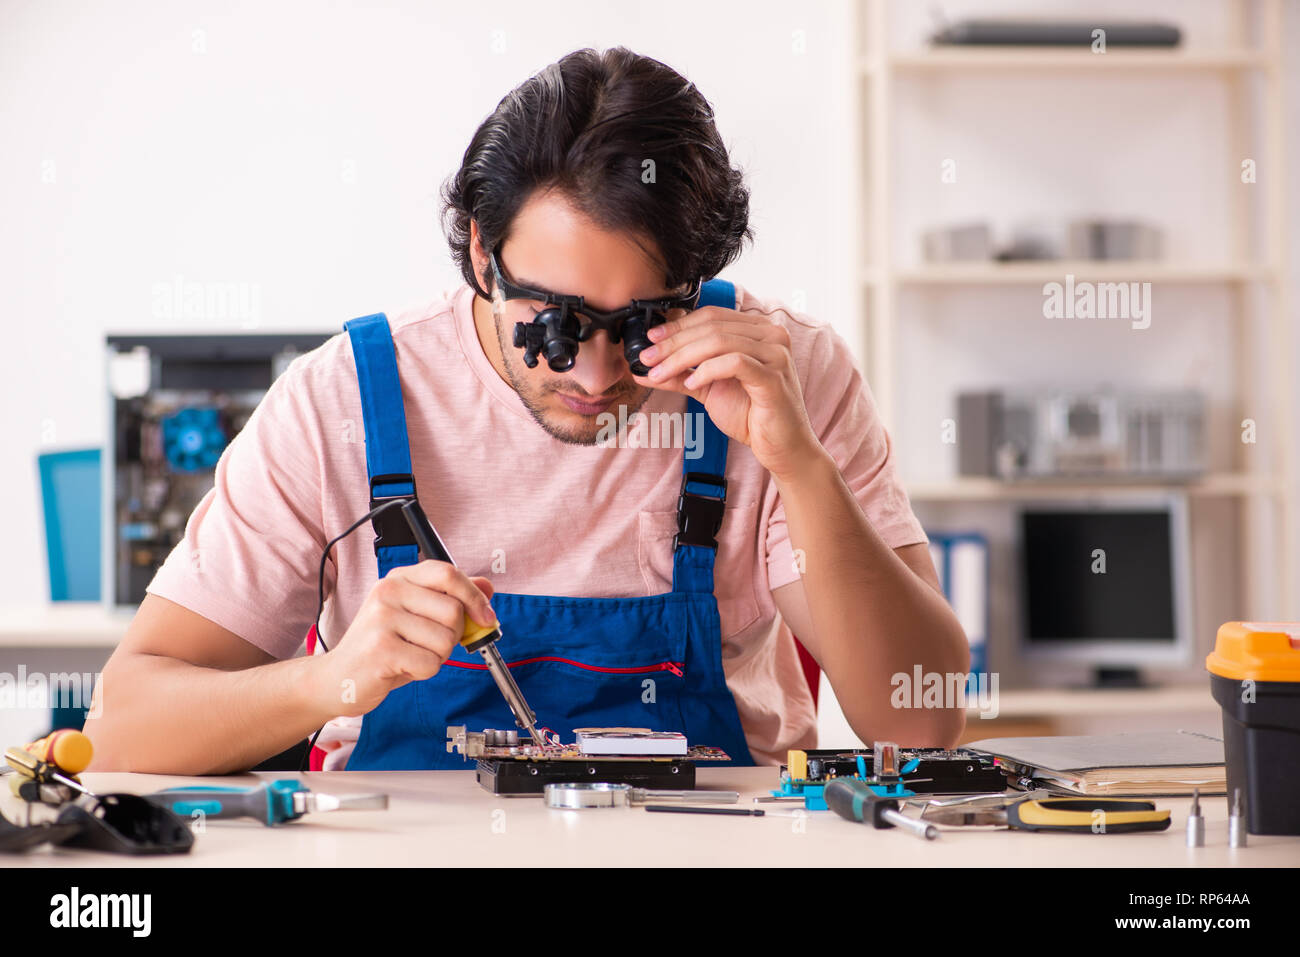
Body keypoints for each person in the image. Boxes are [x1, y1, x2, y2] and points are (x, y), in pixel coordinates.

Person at [85, 46, 969, 773]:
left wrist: (799, 462)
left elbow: (922, 721)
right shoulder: (345, 399)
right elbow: (123, 726)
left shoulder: (785, 371)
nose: (592, 373)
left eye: (643, 324)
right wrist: (329, 679)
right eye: (553, 323)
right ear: (480, 250)